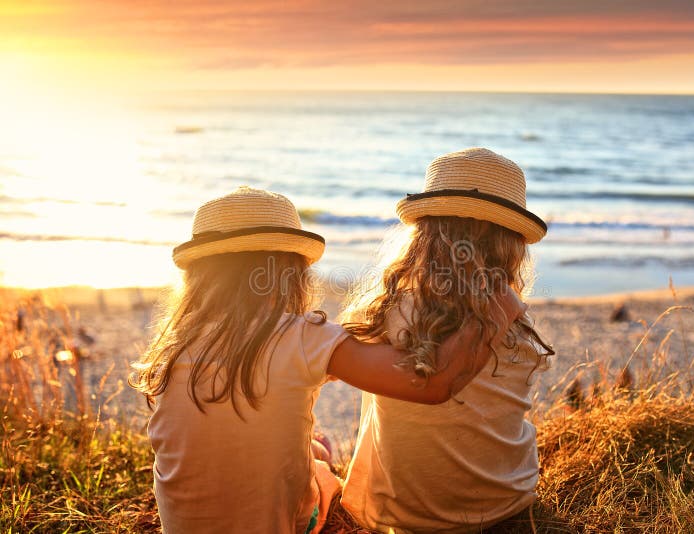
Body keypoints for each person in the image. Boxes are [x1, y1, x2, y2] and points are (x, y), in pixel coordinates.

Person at [129, 186, 525, 534]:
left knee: (313, 447)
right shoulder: (299, 336)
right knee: (321, 464)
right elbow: (432, 383)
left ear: (197, 276)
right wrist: (494, 315)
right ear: (291, 271)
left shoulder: (172, 347)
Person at [341, 148, 554, 533]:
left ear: (422, 235)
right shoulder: (517, 327)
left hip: (408, 517)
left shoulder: (385, 314)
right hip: (508, 500)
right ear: (512, 246)